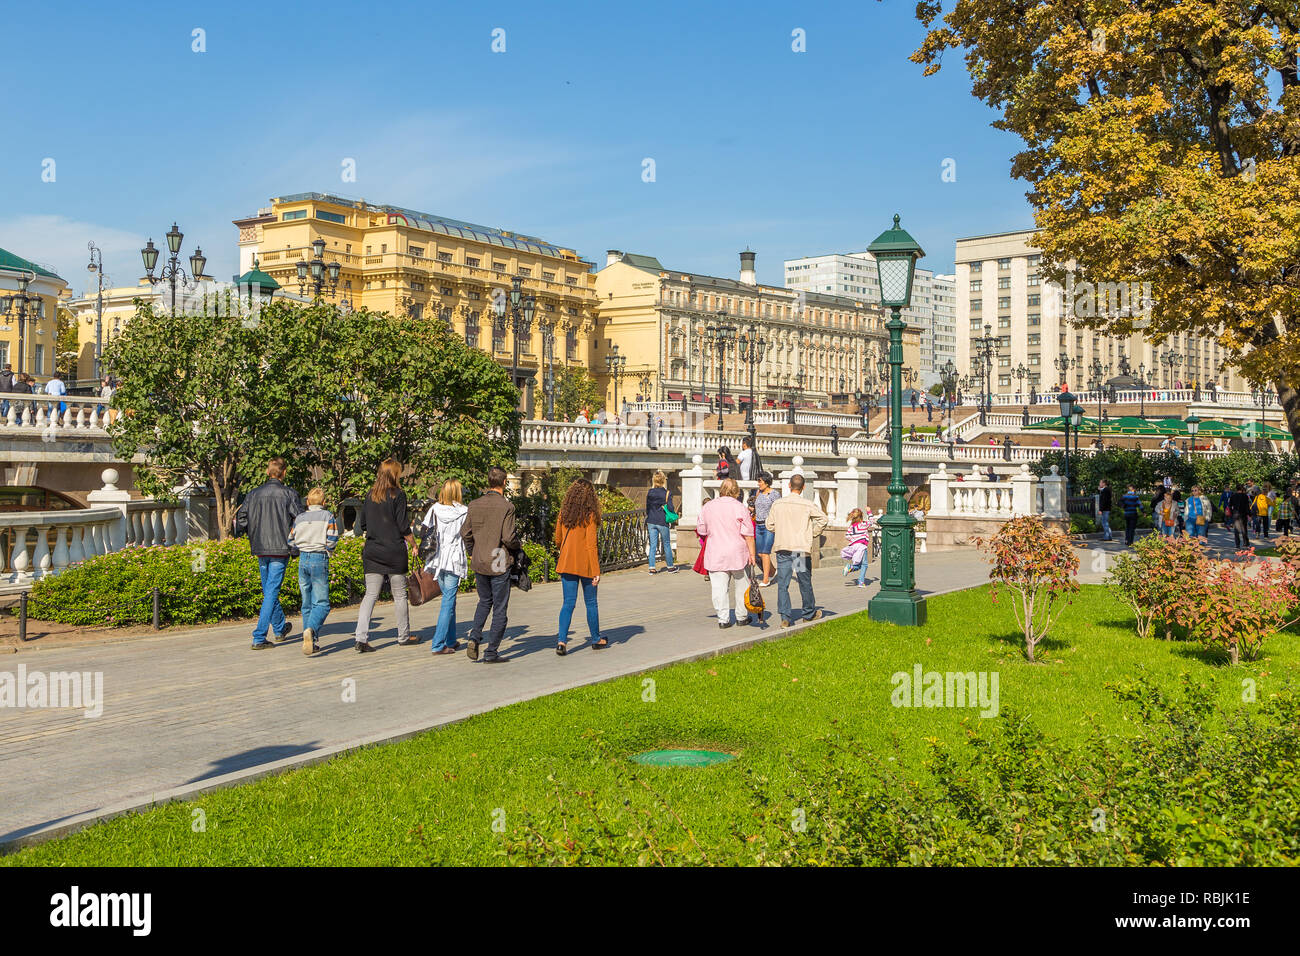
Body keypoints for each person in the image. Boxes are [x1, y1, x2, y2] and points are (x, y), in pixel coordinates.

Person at [233, 457, 302, 650]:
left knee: (268, 590)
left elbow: (242, 518)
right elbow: (300, 520)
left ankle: (279, 628)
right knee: (271, 591)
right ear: (284, 472)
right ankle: (259, 636)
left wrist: (252, 533)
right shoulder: (289, 494)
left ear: (267, 472)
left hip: (261, 547)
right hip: (281, 548)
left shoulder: (254, 494)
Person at [354, 458, 416, 652]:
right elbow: (403, 525)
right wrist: (413, 543)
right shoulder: (398, 495)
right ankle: (403, 636)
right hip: (394, 552)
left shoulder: (370, 494)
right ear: (395, 474)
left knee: (370, 595)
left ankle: (361, 638)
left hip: (372, 550)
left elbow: (362, 524)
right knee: (399, 595)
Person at [461, 465, 519, 663]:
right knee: (500, 607)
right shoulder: (507, 507)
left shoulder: (474, 504)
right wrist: (518, 549)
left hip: (479, 560)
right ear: (504, 482)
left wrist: (473, 552)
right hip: (498, 558)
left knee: (484, 601)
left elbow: (465, 533)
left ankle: (474, 636)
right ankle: (491, 651)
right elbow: (509, 537)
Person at [766, 474, 829, 627]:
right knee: (804, 581)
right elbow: (823, 519)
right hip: (800, 550)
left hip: (783, 548)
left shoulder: (778, 504)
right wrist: (812, 532)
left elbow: (769, 525)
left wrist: (781, 530)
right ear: (803, 487)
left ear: (789, 485)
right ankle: (808, 613)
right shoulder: (807, 504)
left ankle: (785, 617)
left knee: (783, 583)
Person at [554, 478, 608, 654]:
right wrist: (596, 571)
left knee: (567, 603)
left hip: (567, 563)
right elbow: (591, 545)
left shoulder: (564, 513)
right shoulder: (590, 515)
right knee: (591, 602)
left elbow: (557, 539)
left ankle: (561, 641)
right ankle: (595, 639)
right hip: (585, 565)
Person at [695, 477, 758, 628]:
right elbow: (749, 534)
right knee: (742, 584)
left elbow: (701, 529)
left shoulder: (708, 507)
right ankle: (741, 616)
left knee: (719, 588)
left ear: (721, 490)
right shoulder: (740, 507)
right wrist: (752, 554)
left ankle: (723, 619)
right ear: (737, 492)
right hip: (738, 552)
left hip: (716, 551)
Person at [287, 487, 339, 656]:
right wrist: (328, 550)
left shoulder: (300, 518)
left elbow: (291, 539)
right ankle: (311, 630)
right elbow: (332, 538)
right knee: (322, 603)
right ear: (324, 503)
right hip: (319, 557)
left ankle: (308, 640)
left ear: (307, 502)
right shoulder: (328, 516)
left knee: (307, 602)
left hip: (303, 559)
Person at [422, 478, 468, 654]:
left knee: (449, 600)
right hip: (454, 559)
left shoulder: (434, 509)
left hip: (436, 558)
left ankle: (450, 638)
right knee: (448, 601)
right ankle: (438, 644)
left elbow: (423, 531)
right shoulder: (464, 512)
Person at [752, 472, 780, 586]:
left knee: (765, 552)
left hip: (768, 526)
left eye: (760, 481)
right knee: (759, 553)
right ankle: (773, 572)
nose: (758, 483)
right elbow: (756, 507)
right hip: (758, 525)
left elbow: (778, 509)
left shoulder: (774, 494)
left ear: (766, 482)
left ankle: (765, 580)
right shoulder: (758, 492)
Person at [645, 470, 676, 574]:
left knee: (653, 545)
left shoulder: (650, 492)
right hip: (662, 521)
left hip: (651, 521)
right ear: (663, 480)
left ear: (653, 480)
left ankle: (652, 568)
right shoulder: (667, 493)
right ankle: (670, 567)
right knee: (666, 543)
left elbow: (647, 508)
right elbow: (671, 508)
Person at [841, 508, 873, 588]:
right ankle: (861, 582)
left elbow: (847, 536)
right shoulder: (863, 524)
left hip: (854, 546)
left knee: (859, 565)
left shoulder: (851, 526)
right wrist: (869, 511)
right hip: (861, 546)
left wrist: (854, 538)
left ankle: (850, 568)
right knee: (864, 564)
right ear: (861, 516)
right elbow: (871, 521)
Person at [1229, 484, 1252, 549]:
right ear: (1242, 489)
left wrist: (1231, 512)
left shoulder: (1233, 496)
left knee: (1236, 530)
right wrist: (1249, 514)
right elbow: (1247, 507)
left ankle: (1237, 544)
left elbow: (1230, 505)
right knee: (1244, 529)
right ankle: (1245, 543)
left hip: (1235, 514)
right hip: (1243, 514)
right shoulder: (1245, 496)